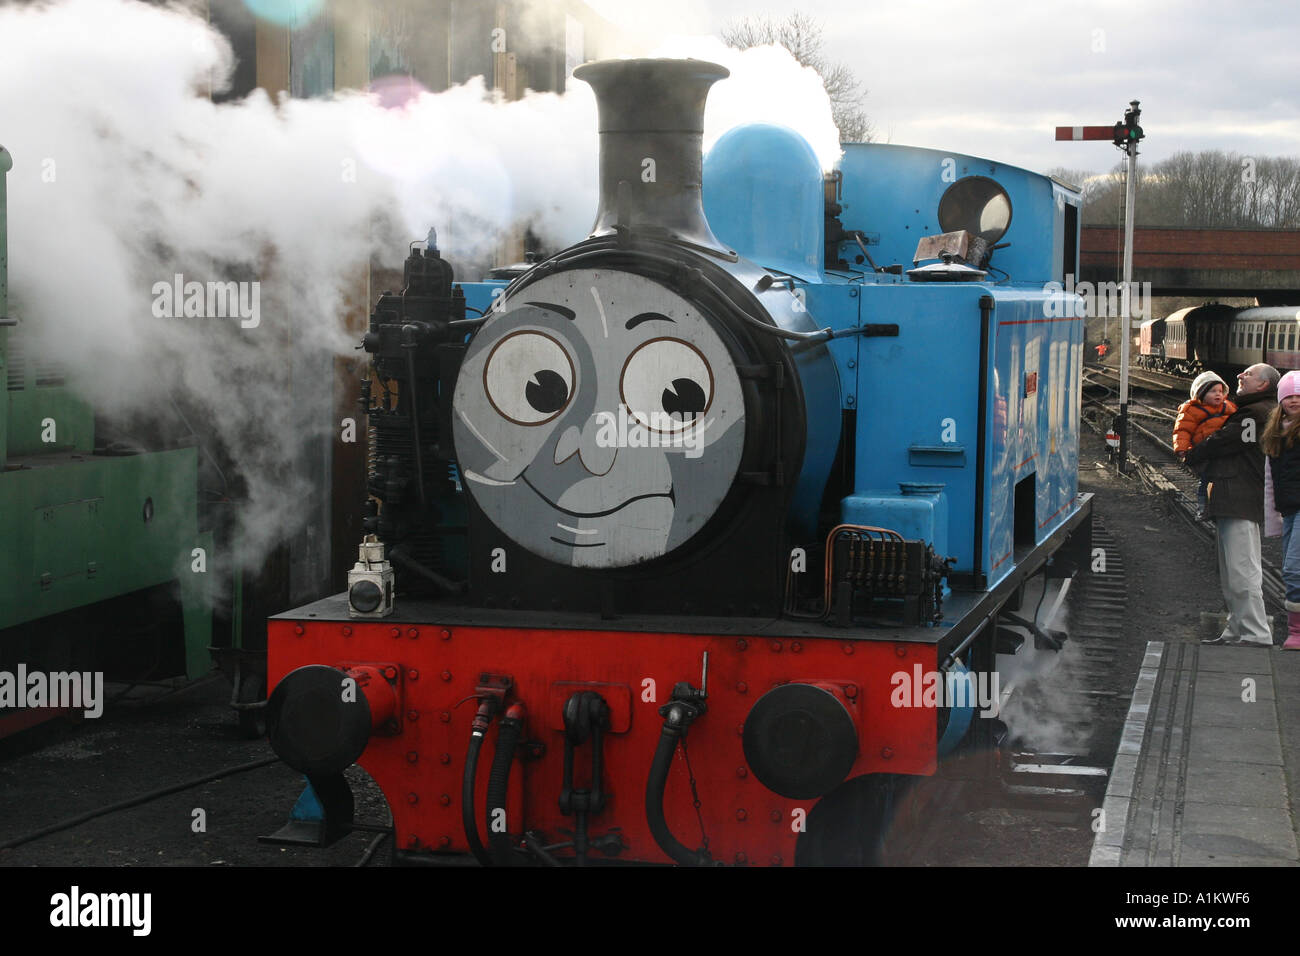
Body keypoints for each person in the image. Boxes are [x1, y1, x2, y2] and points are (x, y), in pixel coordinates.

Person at [1185, 363, 1279, 647]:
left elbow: (1226, 441)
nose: (1240, 375)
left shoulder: (1256, 413)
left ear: (1263, 385)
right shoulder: (1252, 410)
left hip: (1239, 497)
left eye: (1248, 374)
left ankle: (1255, 633)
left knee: (1242, 569)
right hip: (1232, 496)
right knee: (1232, 570)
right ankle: (1238, 629)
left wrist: (1193, 453)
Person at [1262, 370, 1300, 650]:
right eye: (1289, 396)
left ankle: (1296, 632)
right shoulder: (1276, 433)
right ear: (1280, 401)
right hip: (1289, 509)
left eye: (1299, 396)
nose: (1295, 400)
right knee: (1292, 566)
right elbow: (1269, 480)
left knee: (1292, 569)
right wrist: (1272, 517)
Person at [1173, 371, 1237, 519]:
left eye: (1220, 391)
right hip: (1204, 452)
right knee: (1205, 480)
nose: (1218, 395)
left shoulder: (1229, 408)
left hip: (1224, 452)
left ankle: (1221, 506)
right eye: (1213, 391)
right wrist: (1182, 448)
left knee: (1222, 480)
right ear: (1201, 393)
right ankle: (1203, 507)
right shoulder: (1191, 410)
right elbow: (1182, 430)